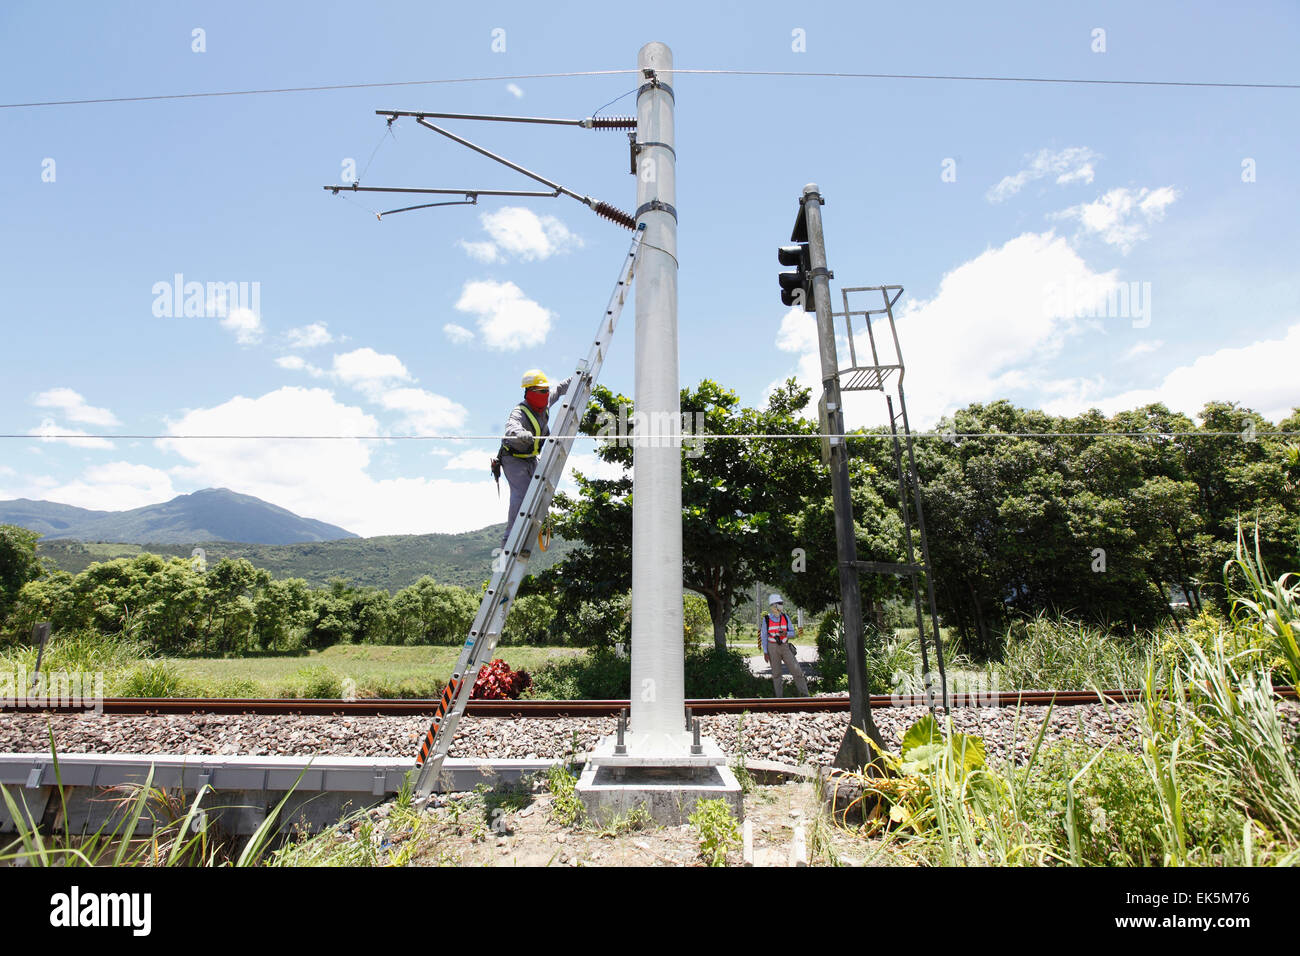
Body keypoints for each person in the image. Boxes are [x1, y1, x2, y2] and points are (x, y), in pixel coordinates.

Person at [495, 368, 575, 552]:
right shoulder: (520, 411)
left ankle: (526, 535)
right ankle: (510, 541)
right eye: (539, 391)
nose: (544, 394)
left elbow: (561, 388)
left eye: (545, 390)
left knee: (539, 493)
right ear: (529, 392)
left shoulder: (546, 401)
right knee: (522, 495)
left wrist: (580, 376)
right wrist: (519, 433)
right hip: (513, 459)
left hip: (531, 458)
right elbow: (511, 426)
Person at [760, 593, 808, 698]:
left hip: (785, 646)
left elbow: (793, 633)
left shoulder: (785, 617)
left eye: (781, 603)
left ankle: (805, 696)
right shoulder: (766, 619)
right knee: (776, 674)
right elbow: (763, 636)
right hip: (772, 647)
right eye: (779, 603)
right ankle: (779, 698)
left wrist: (785, 633)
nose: (781, 605)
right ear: (773, 605)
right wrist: (765, 652)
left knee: (797, 671)